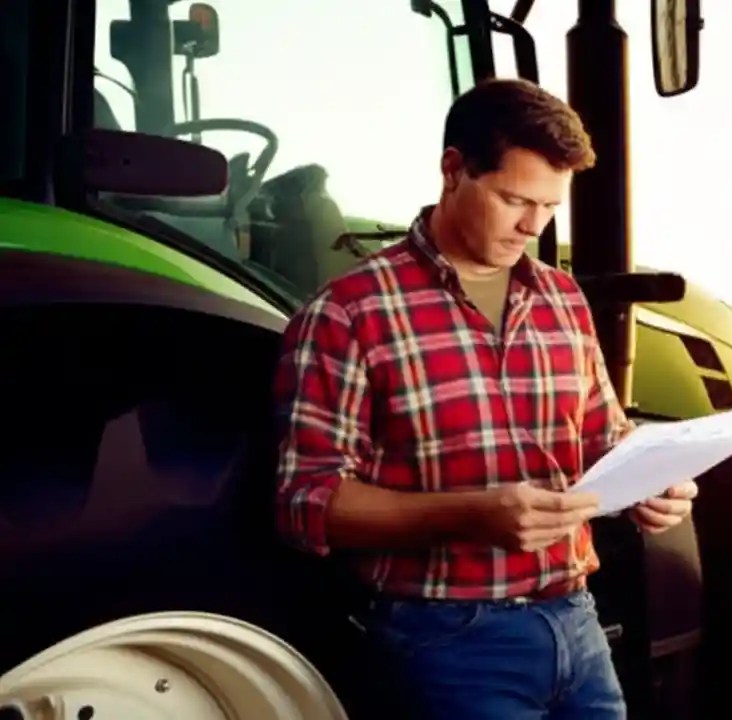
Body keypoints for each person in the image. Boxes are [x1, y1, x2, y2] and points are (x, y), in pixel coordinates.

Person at [271, 77, 698, 719]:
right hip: (444, 639)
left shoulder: (563, 299)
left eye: (550, 207)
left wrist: (649, 482)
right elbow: (306, 502)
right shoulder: (348, 313)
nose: (533, 225)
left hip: (576, 622)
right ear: (453, 170)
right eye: (513, 199)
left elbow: (597, 436)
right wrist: (472, 514)